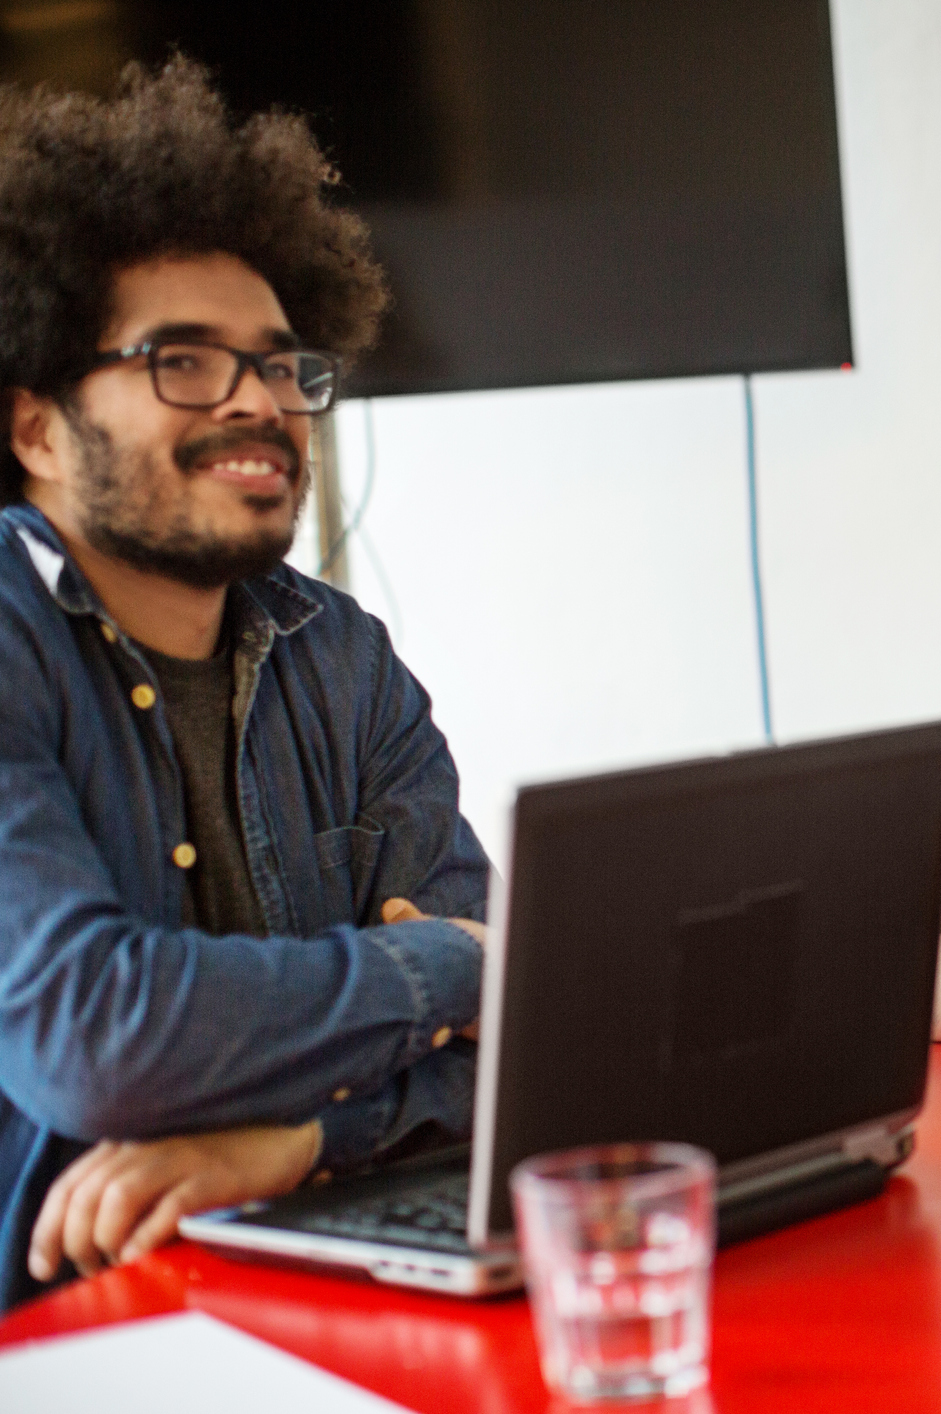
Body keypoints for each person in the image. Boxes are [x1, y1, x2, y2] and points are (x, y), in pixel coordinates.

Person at [0, 60, 491, 1309]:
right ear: (37, 428)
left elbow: (516, 1049)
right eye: (182, 361)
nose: (257, 403)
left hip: (317, 1281)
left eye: (279, 367)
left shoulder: (347, 657)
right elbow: (91, 1032)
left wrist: (301, 1140)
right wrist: (444, 974)